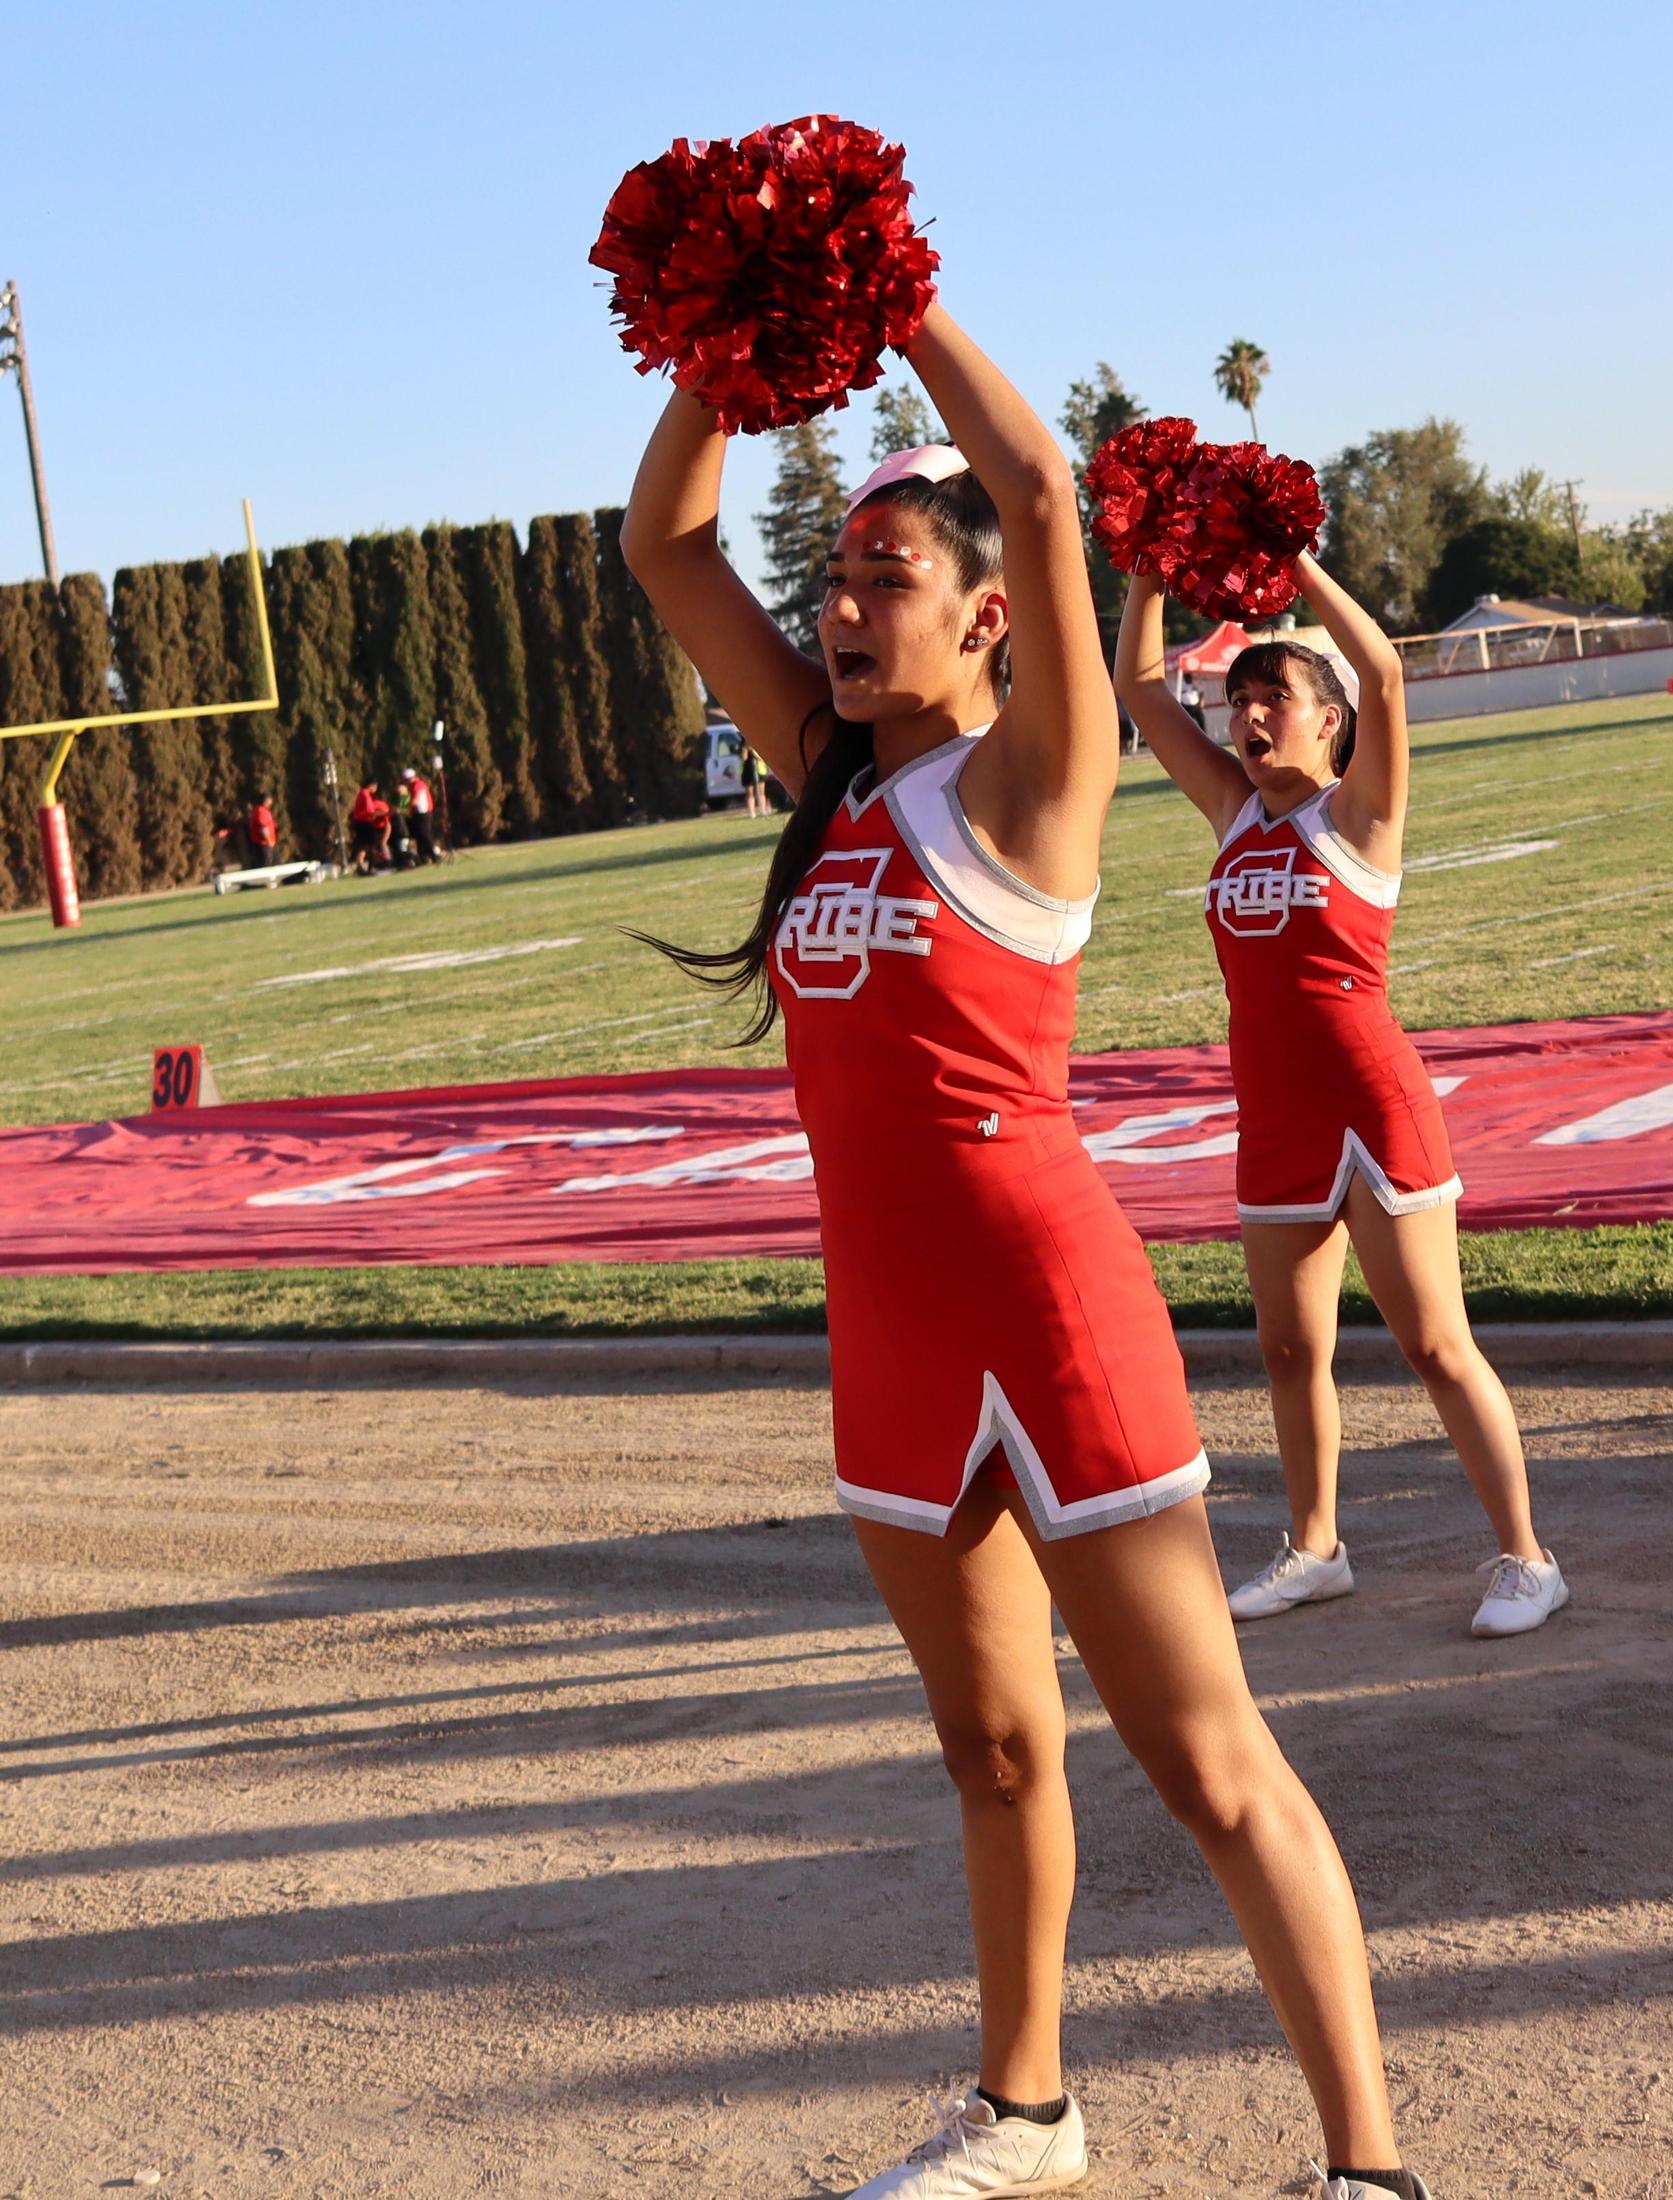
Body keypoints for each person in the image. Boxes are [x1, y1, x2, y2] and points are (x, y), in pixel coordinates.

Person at [621, 303, 1433, 2200]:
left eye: (885, 575)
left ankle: (1370, 2171)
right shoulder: (826, 769)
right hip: (889, 1335)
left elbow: (1046, 495)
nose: (841, 604)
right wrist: (728, 351)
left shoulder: (1031, 777)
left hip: (1056, 1318)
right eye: (834, 576)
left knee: (1211, 1767)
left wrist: (887, 302)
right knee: (993, 1753)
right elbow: (663, 541)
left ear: (986, 616)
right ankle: (1026, 2112)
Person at [1115, 557, 1567, 1641]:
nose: (1248, 716)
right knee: (1287, 1353)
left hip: (1374, 1109)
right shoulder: (1231, 811)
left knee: (1434, 1344)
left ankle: (1527, 1558)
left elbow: (1383, 672)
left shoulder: (1359, 815)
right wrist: (1145, 568)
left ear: (1329, 723)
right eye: (1237, 701)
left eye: (1275, 699)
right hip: (1272, 1118)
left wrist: (1293, 560)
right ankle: (1315, 1547)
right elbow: (1136, 688)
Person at [348, 780, 392, 870]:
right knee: (372, 844)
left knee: (364, 844)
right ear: (372, 786)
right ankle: (373, 865)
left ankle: (362, 864)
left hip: (360, 822)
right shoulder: (366, 794)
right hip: (365, 822)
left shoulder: (362, 793)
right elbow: (370, 811)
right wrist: (385, 813)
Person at [401, 767, 442, 861]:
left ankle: (433, 855)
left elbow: (415, 800)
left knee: (425, 834)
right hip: (418, 813)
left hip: (423, 812)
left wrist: (407, 809)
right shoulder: (413, 785)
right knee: (419, 835)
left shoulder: (418, 785)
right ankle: (423, 856)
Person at [738, 732, 766, 816]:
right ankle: (752, 812)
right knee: (750, 793)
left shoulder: (758, 743)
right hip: (748, 771)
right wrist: (745, 749)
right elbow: (744, 758)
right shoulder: (743, 745)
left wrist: (753, 751)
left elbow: (761, 758)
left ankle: (763, 810)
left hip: (759, 770)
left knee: (761, 792)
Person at [246, 792, 279, 865]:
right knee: (266, 864)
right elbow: (263, 828)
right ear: (267, 800)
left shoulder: (261, 810)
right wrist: (269, 841)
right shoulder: (261, 811)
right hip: (264, 844)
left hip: (265, 844)